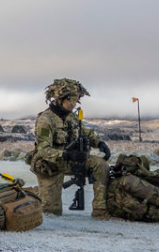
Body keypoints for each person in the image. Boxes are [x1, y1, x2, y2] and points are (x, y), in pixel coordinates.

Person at [26, 78, 110, 218]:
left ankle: (100, 210)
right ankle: (34, 193)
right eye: (70, 100)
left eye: (76, 100)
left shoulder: (71, 117)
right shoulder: (45, 120)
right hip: (50, 165)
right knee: (51, 213)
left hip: (71, 160)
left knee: (100, 165)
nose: (73, 104)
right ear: (60, 99)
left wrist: (100, 143)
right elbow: (43, 151)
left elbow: (85, 132)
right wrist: (67, 155)